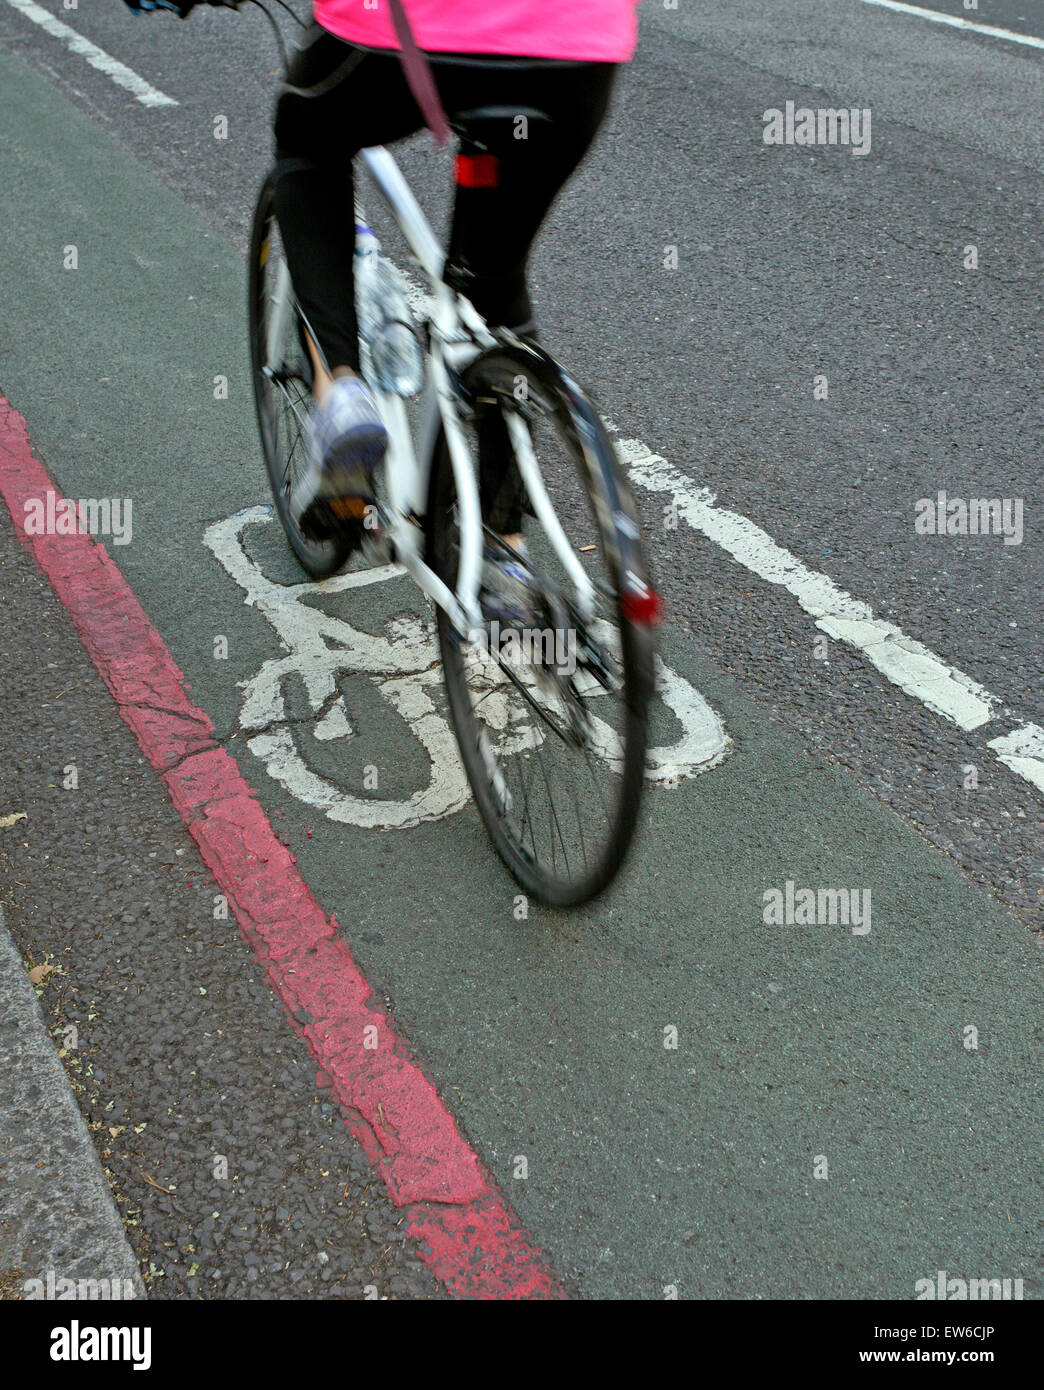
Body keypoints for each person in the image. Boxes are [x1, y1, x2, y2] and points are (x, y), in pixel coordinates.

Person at [123, 0, 640, 587]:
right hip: (578, 50)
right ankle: (504, 551)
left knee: (308, 137)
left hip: (411, 31)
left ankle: (340, 390)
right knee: (492, 276)